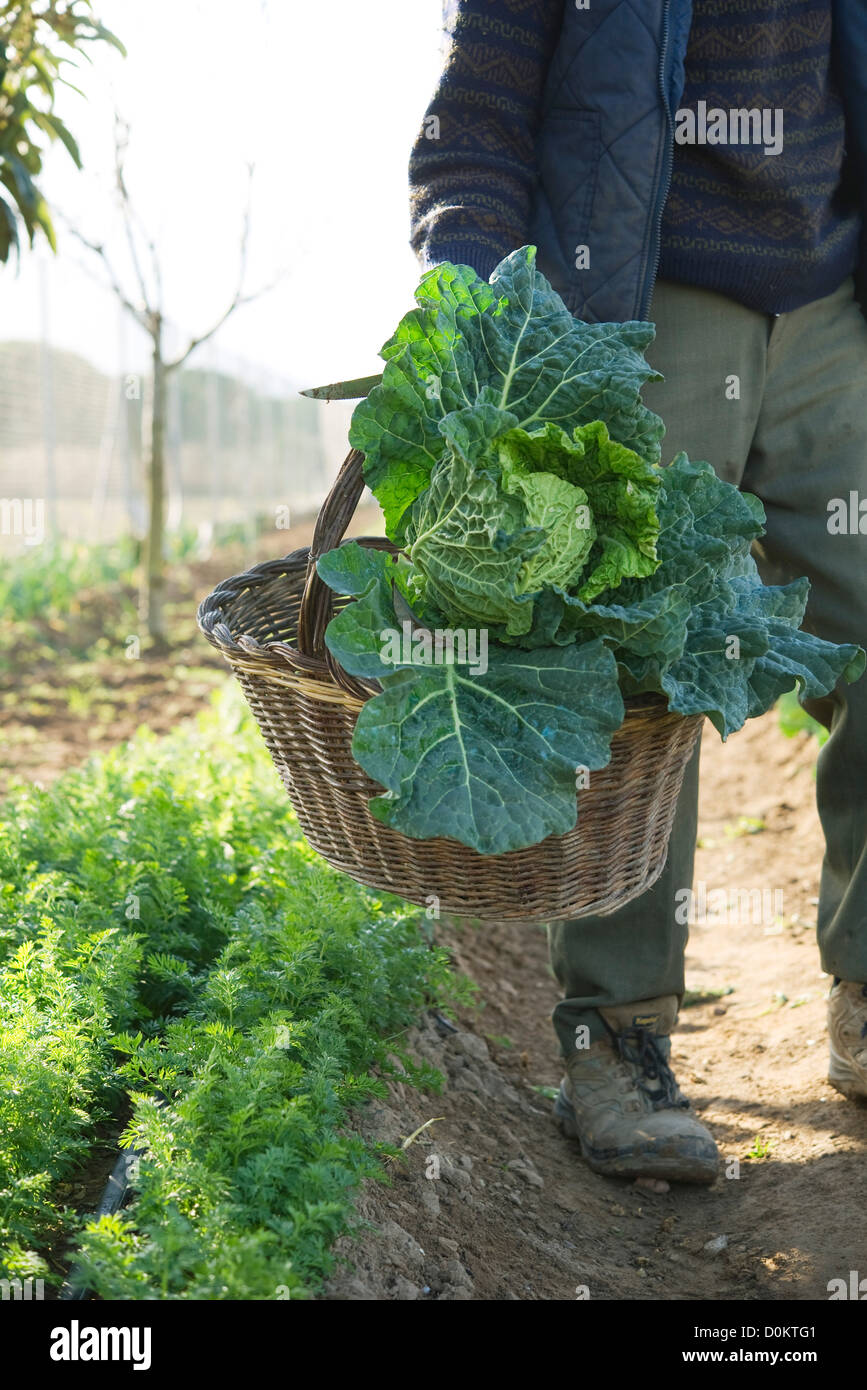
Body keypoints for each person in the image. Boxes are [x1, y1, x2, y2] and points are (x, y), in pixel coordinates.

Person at [408, 0, 867, 1185]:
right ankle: (614, 1038)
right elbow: (484, 104)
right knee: (639, 657)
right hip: (644, 297)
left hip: (832, 303)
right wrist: (470, 301)